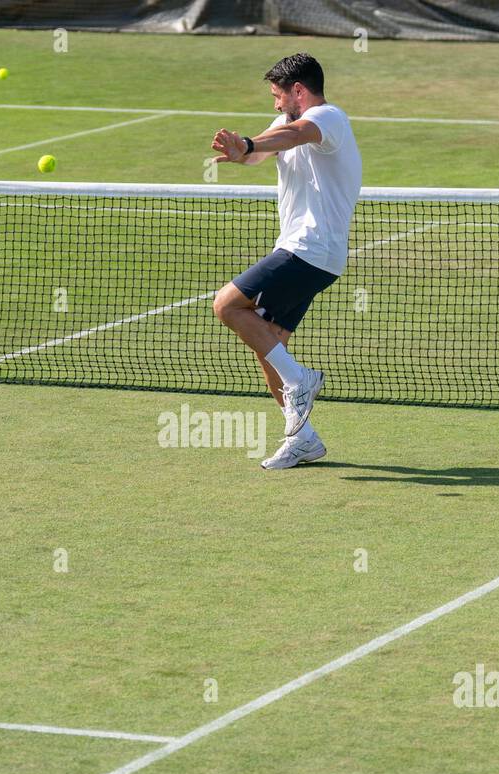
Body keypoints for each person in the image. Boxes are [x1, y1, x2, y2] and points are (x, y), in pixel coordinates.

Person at [210, 52, 363, 469]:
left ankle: (301, 379)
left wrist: (254, 145)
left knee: (226, 305)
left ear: (299, 91)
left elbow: (294, 135)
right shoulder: (283, 124)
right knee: (269, 340)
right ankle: (302, 438)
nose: (276, 104)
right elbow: (261, 151)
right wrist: (242, 151)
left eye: (279, 96)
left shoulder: (329, 117)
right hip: (309, 252)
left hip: (310, 249)